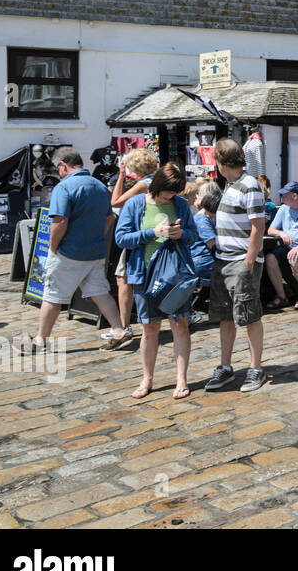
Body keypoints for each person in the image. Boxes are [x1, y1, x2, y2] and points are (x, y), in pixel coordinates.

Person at [21, 148, 133, 353]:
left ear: (63, 165)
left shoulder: (64, 188)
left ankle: (40, 340)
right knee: (100, 291)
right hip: (95, 250)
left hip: (69, 252)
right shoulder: (99, 186)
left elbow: (60, 221)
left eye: (58, 168)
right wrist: (97, 236)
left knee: (52, 295)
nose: (58, 172)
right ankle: (118, 330)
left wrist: (53, 247)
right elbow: (109, 218)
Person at [115, 163, 200, 399]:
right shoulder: (135, 204)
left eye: (174, 193)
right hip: (144, 273)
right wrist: (153, 233)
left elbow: (194, 236)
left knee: (180, 325)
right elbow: (121, 238)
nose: (170, 197)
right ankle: (147, 378)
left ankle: (181, 379)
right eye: (167, 192)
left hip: (175, 276)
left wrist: (181, 234)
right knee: (150, 328)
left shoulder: (181, 205)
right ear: (157, 186)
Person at [204, 138, 269, 394]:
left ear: (220, 161)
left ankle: (255, 368)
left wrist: (249, 261)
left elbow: (258, 226)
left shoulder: (249, 185)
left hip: (241, 261)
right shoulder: (229, 185)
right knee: (225, 316)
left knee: (250, 315)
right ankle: (226, 366)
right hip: (223, 260)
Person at [109, 147, 159, 334]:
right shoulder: (157, 179)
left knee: (123, 278)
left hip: (137, 235)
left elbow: (115, 202)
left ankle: (124, 325)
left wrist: (121, 176)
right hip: (150, 232)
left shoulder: (144, 184)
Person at [189, 181, 221, 325]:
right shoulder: (202, 220)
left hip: (202, 259)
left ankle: (199, 305)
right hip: (201, 260)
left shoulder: (205, 217)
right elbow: (212, 246)